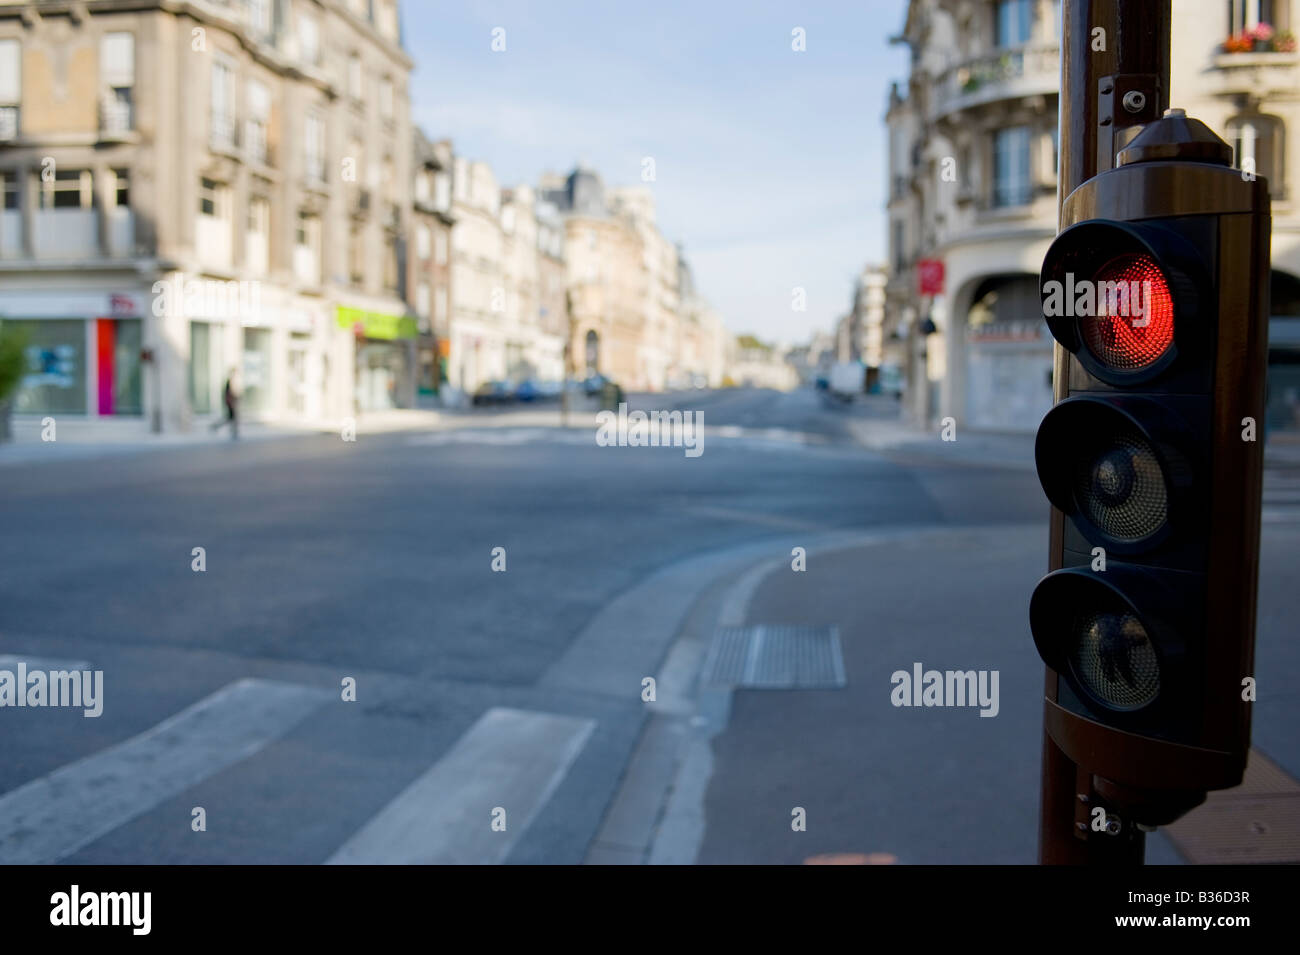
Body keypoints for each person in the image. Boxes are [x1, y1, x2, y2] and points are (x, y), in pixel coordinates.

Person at [210, 368, 240, 440]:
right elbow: (229, 393)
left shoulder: (231, 381)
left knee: (230, 418)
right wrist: (232, 402)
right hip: (230, 403)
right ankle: (217, 426)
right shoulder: (229, 381)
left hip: (231, 402)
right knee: (231, 418)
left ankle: (233, 432)